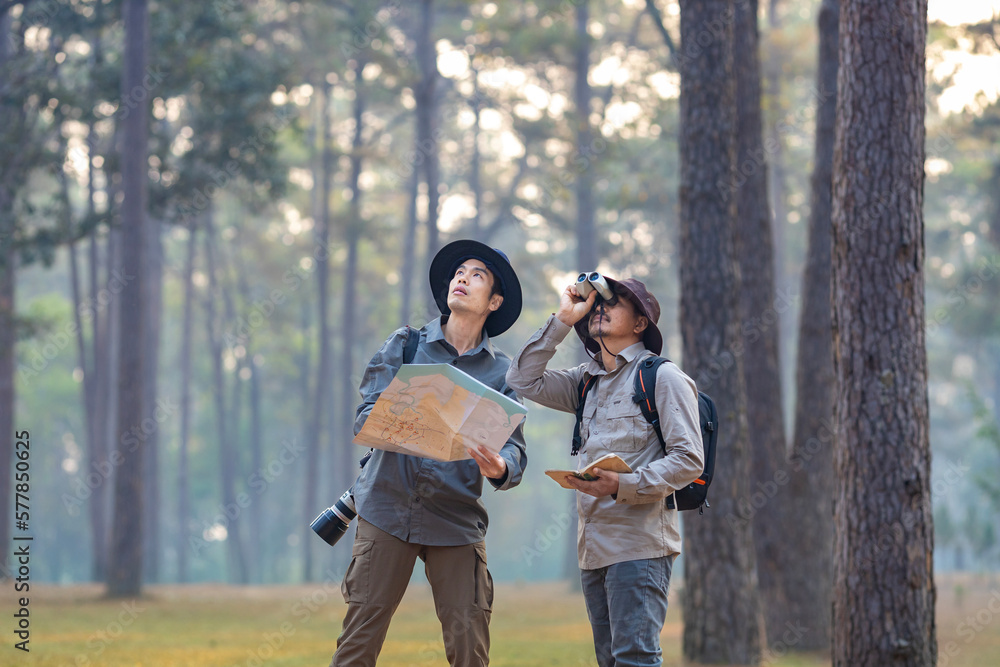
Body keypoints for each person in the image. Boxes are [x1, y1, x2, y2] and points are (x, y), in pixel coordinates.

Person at [330, 239, 527, 667]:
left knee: (469, 652)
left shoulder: (502, 372)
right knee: (357, 648)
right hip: (386, 507)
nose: (463, 278)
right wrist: (403, 417)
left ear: (494, 301)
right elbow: (364, 417)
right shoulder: (405, 345)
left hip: (457, 521)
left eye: (478, 275)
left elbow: (514, 451)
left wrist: (499, 466)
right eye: (460, 272)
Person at [505, 275, 703, 667]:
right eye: (596, 303)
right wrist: (562, 319)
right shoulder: (585, 381)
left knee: (634, 658)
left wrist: (623, 485)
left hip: (640, 545)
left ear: (640, 323)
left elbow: (688, 459)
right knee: (610, 660)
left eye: (613, 303)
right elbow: (521, 378)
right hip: (592, 549)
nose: (600, 307)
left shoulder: (662, 377)